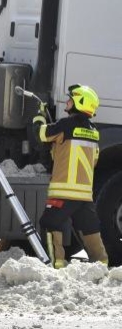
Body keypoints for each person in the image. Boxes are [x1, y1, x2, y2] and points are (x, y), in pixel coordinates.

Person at [33, 84, 109, 268]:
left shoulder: (66, 125)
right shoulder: (94, 132)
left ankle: (55, 264)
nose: (67, 102)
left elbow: (40, 134)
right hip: (85, 196)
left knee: (49, 223)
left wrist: (39, 115)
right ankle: (102, 266)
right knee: (91, 230)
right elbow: (95, 160)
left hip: (63, 193)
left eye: (70, 99)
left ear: (79, 103)